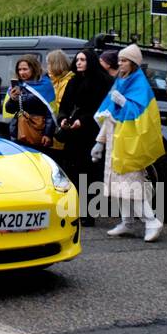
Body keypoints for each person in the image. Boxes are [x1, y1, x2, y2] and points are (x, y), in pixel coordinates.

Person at [94, 45, 164, 241]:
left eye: (124, 60)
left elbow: (142, 116)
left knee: (132, 184)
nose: (120, 63)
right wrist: (100, 142)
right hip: (116, 141)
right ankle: (127, 222)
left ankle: (151, 221)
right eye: (120, 60)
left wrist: (124, 103)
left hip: (130, 142)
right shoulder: (120, 81)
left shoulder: (140, 84)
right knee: (118, 186)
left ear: (133, 63)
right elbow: (109, 115)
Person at [54, 48, 113, 221]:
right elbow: (65, 105)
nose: (79, 62)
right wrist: (63, 119)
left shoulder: (102, 81)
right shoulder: (73, 81)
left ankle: (90, 211)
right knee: (74, 170)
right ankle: (76, 207)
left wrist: (84, 120)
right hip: (73, 133)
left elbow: (102, 107)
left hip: (92, 132)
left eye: (83, 59)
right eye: (77, 59)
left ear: (90, 61)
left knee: (91, 171)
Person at [4, 58, 57, 148]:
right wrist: (13, 99)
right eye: (19, 70)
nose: (21, 72)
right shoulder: (18, 86)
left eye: (25, 69)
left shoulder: (45, 85)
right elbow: (9, 110)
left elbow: (50, 112)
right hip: (19, 132)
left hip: (38, 131)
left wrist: (48, 134)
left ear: (34, 68)